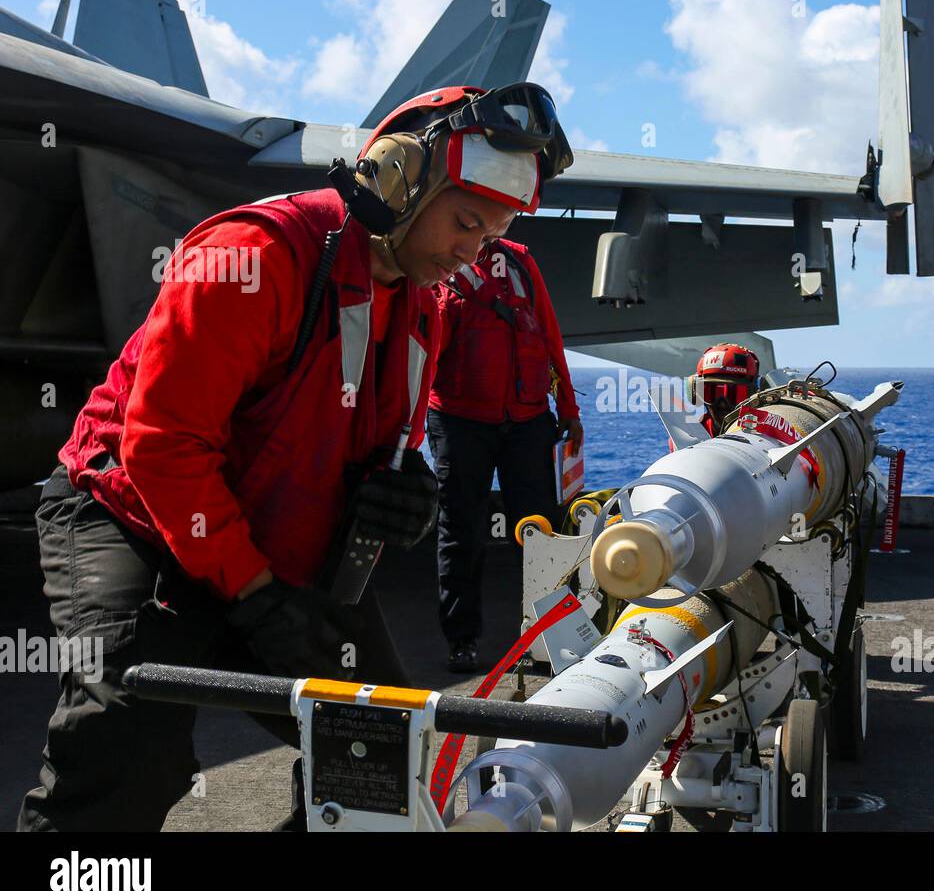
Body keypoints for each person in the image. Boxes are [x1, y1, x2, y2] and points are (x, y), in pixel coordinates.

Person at [17, 82, 573, 831]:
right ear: (400, 178)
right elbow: (163, 445)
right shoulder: (255, 256)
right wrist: (252, 596)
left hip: (267, 542)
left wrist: (405, 492)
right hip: (132, 519)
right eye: (467, 223)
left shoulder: (418, 305)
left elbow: (379, 446)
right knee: (127, 747)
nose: (473, 254)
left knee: (383, 756)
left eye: (491, 236)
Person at [424, 184, 583, 673]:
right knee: (461, 531)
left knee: (540, 532)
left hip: (527, 420)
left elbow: (550, 336)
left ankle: (549, 636)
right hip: (459, 420)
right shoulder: (441, 264)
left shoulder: (521, 264)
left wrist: (569, 410)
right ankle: (462, 641)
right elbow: (423, 351)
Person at [689, 343, 762, 437]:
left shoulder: (768, 437)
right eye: (712, 393)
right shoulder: (688, 438)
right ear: (696, 393)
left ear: (753, 396)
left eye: (735, 394)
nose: (722, 404)